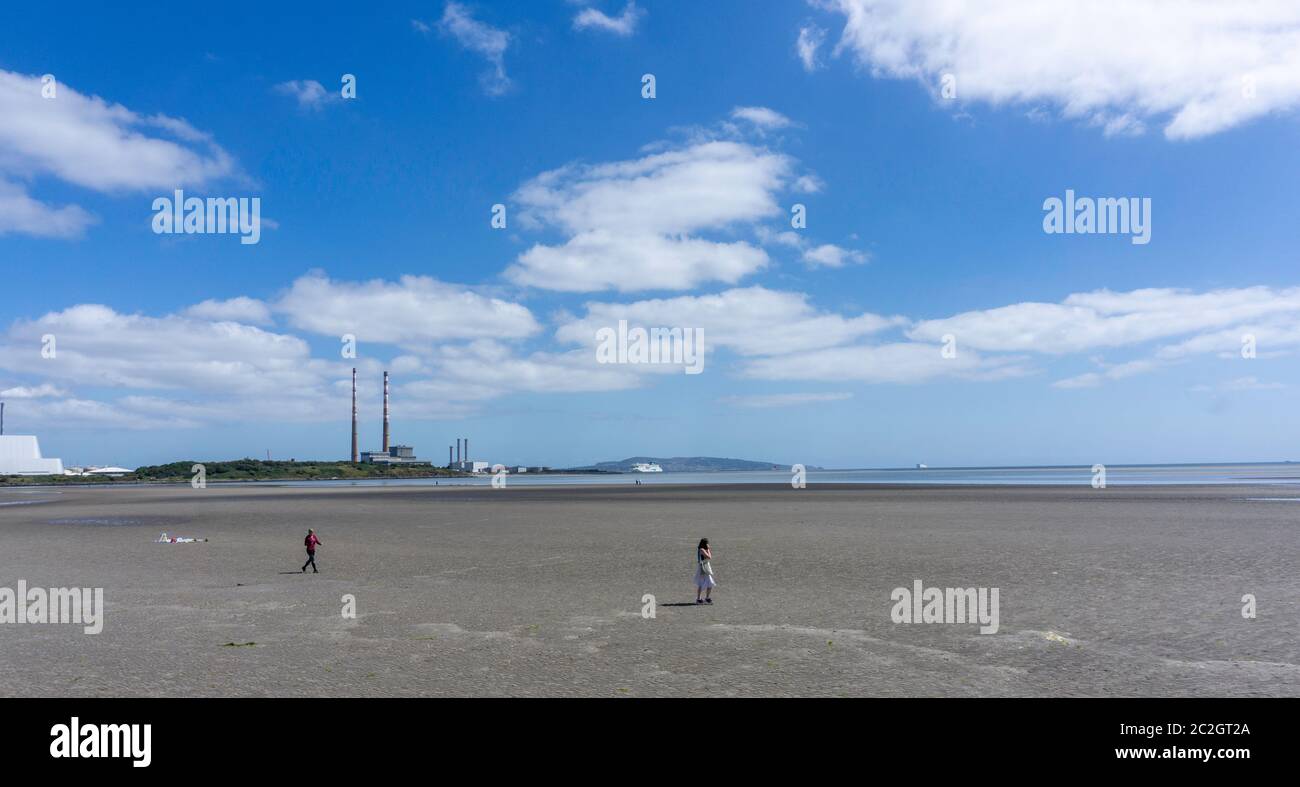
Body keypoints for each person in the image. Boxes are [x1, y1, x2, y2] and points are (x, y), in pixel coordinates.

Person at [694, 538, 715, 604]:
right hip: (703, 568)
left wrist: (708, 549)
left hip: (705, 567)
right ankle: (701, 599)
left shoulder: (702, 549)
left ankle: (704, 598)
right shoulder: (702, 550)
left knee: (707, 583)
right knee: (705, 583)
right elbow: (709, 557)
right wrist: (708, 549)